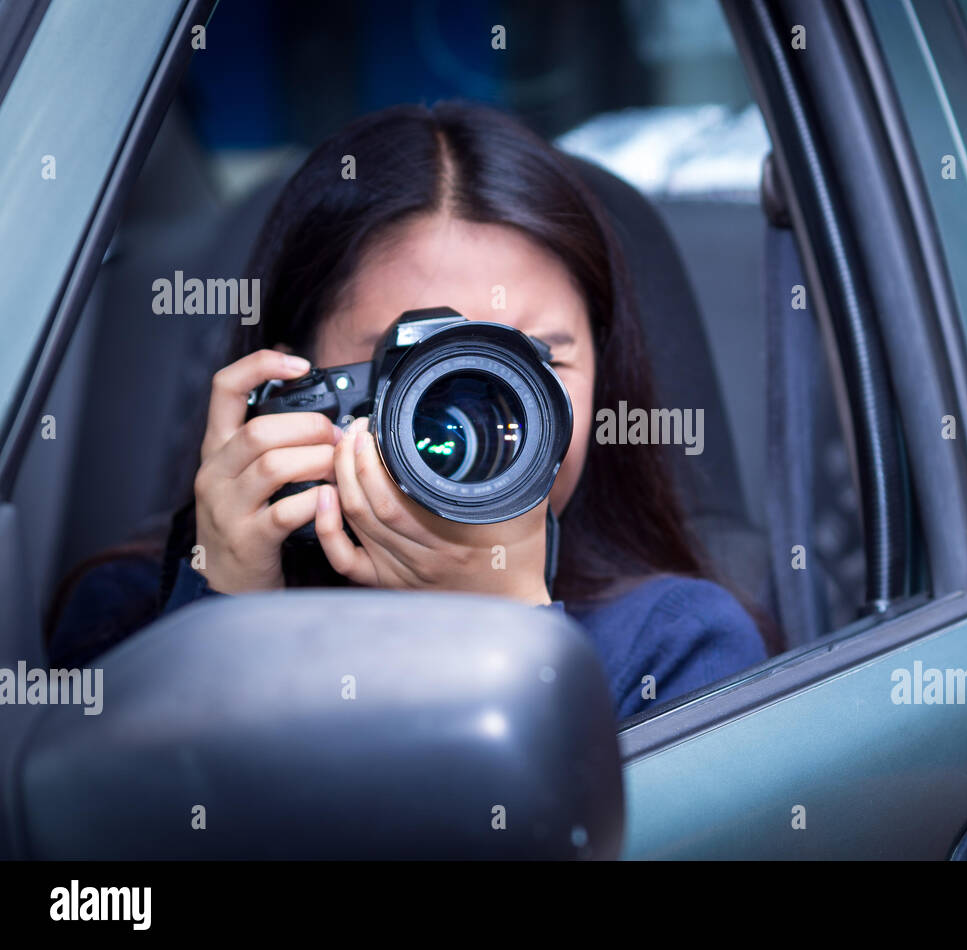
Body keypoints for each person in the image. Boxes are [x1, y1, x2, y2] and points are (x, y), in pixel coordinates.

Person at [48, 101, 775, 719]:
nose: (479, 409)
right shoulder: (132, 619)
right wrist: (226, 620)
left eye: (537, 362)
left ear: (604, 382)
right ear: (294, 390)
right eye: (416, 365)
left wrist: (512, 633)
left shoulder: (677, 645)